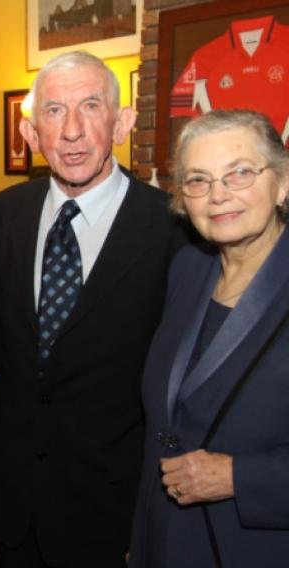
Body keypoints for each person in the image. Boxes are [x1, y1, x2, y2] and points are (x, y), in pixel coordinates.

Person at [0, 50, 188, 567]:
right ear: (30, 134)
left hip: (111, 507)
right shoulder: (2, 215)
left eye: (90, 106)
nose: (71, 131)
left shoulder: (172, 230)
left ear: (122, 123)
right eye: (53, 111)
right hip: (12, 502)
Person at [128, 110, 289, 567]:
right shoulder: (189, 269)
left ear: (282, 182)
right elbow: (166, 426)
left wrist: (240, 477)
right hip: (166, 540)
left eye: (239, 173)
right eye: (198, 180)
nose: (218, 195)